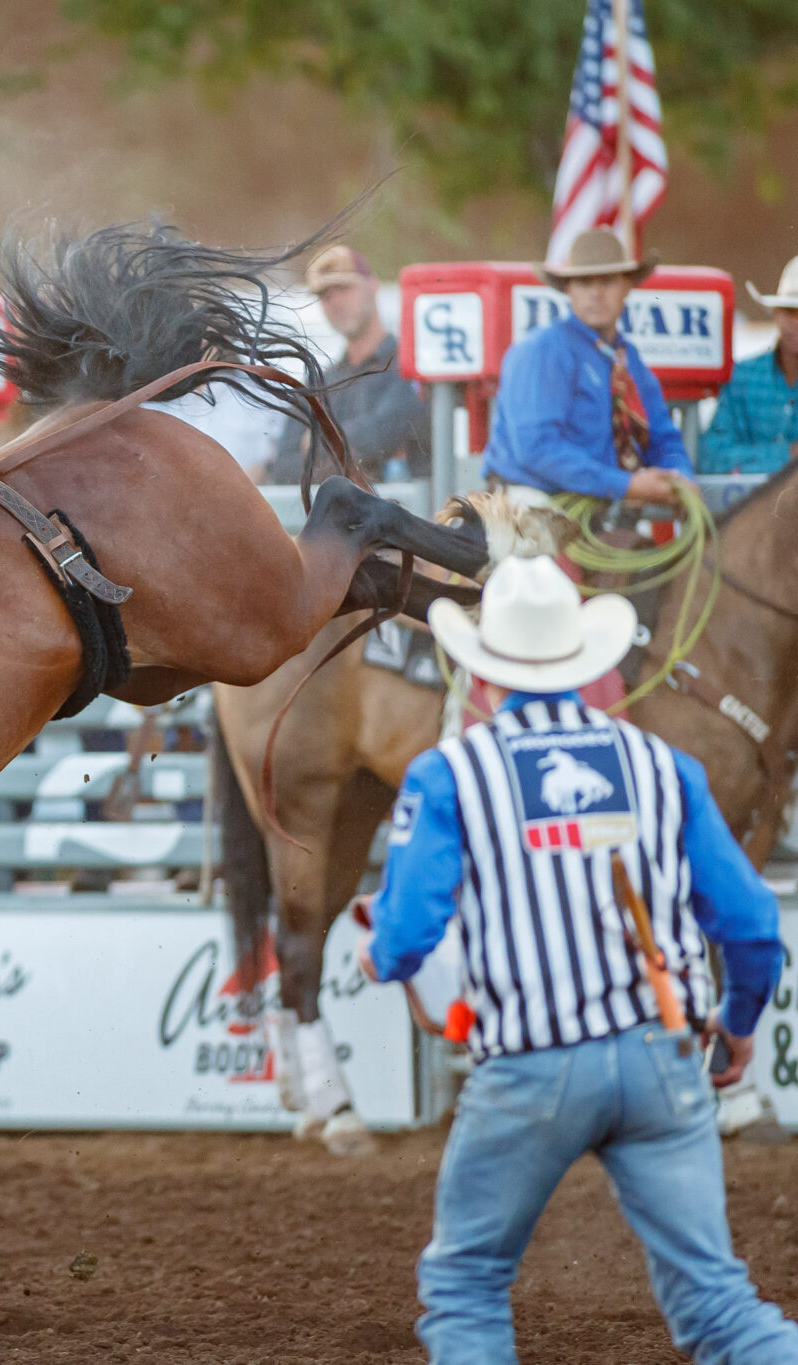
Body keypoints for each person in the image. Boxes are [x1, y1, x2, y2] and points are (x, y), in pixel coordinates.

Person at [359, 555, 798, 1365]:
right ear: (583, 663)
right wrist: (738, 1022)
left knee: (467, 1286)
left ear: (483, 674)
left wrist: (375, 953)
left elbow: (409, 932)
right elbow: (751, 922)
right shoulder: (664, 766)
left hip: (530, 1065)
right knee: (721, 1308)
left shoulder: (452, 772)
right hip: (664, 1052)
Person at [482, 229, 694, 506]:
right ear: (569, 289)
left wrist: (681, 478)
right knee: (544, 546)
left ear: (627, 286)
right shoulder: (542, 350)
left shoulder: (630, 362)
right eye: (584, 282)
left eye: (607, 281)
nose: (596, 293)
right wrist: (627, 485)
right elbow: (536, 449)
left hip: (600, 507)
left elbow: (663, 438)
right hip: (528, 502)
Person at [268, 245, 430, 483]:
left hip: (405, 514)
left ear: (373, 286)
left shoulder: (412, 365)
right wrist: (351, 449)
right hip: (341, 517)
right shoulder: (319, 383)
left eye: (344, 288)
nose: (335, 301)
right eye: (325, 295)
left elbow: (385, 431)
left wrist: (315, 445)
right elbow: (283, 470)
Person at [701, 254, 798, 476]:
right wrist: (788, 455)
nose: (796, 323)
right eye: (789, 312)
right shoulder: (742, 377)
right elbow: (710, 456)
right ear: (776, 313)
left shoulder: (741, 377)